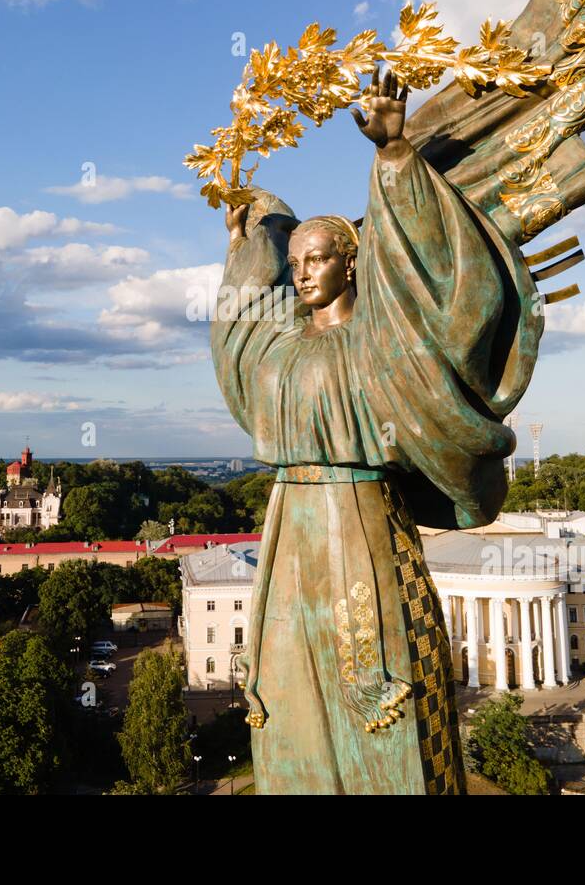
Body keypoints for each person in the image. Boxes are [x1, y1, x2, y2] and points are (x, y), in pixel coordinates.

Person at [212, 67, 542, 794]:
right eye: (294, 263)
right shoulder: (279, 350)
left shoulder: (380, 340)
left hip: (362, 525)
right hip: (287, 532)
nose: (300, 274)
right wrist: (248, 235)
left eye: (317, 258)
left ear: (351, 259)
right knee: (291, 692)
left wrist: (394, 155)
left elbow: (429, 278)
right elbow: (237, 331)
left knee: (382, 692)